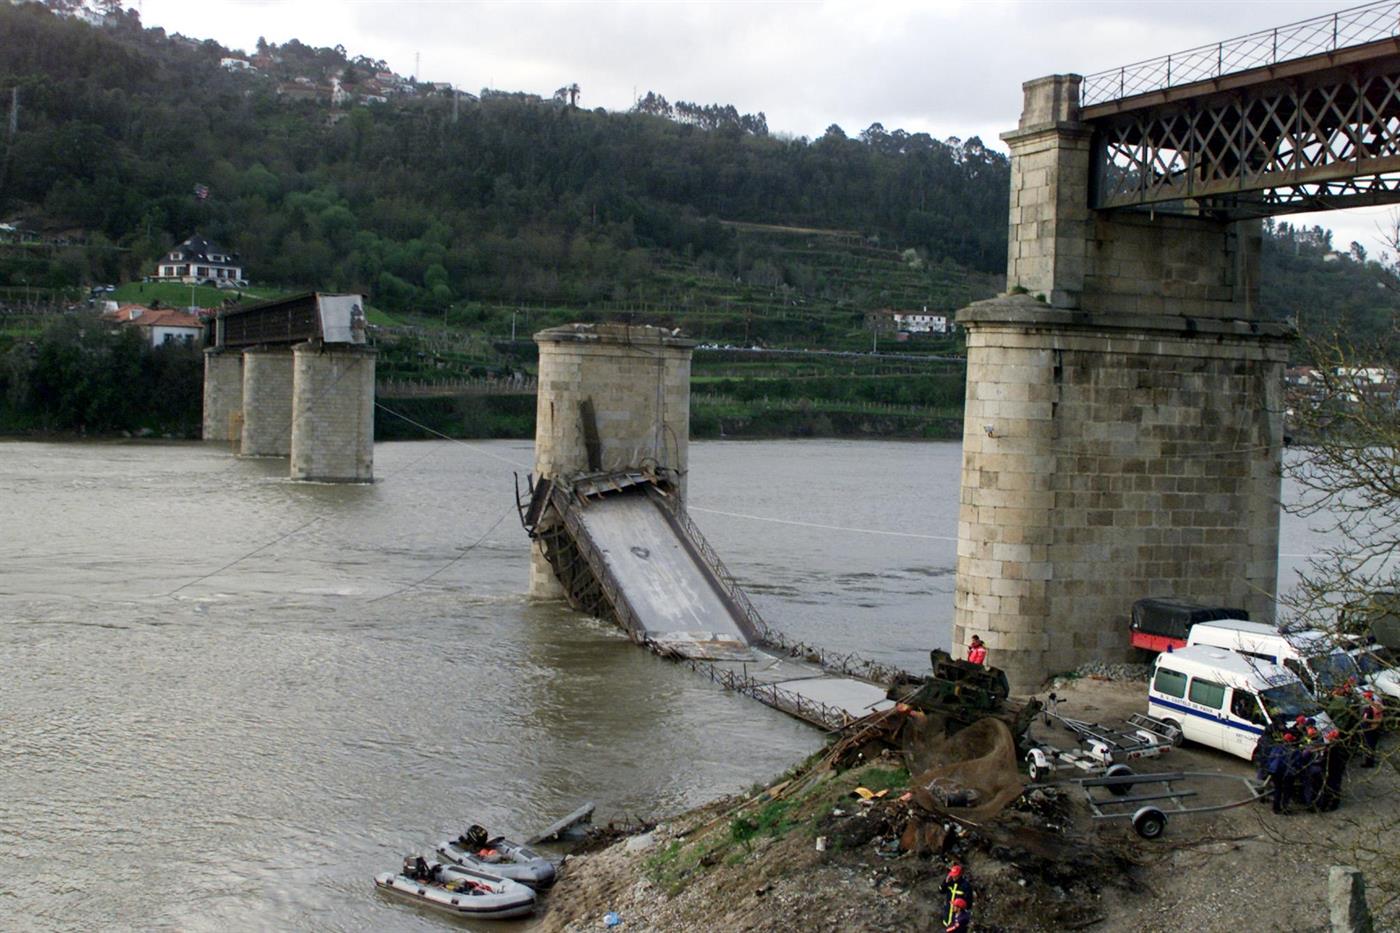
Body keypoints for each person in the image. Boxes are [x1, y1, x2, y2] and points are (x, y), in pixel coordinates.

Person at [1360, 691, 1384, 768]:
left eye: (1364, 697)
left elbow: (1365, 719)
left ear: (1368, 698)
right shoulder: (1377, 705)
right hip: (1376, 728)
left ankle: (1369, 763)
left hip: (1369, 729)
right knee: (1373, 745)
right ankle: (1372, 760)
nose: (1363, 699)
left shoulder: (1368, 708)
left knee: (1368, 746)